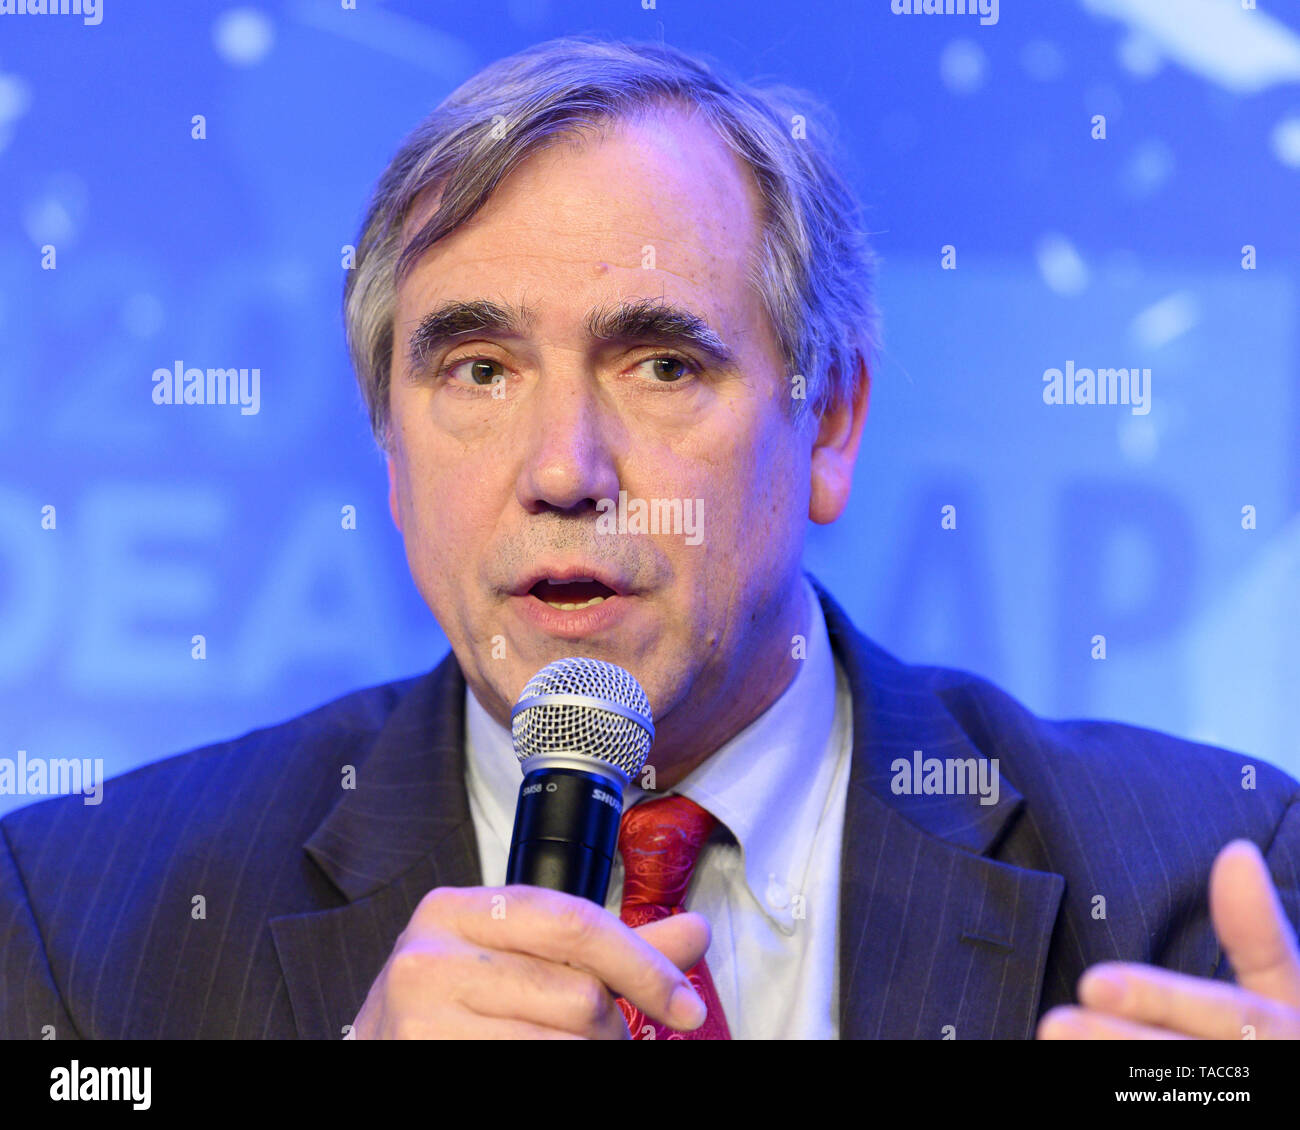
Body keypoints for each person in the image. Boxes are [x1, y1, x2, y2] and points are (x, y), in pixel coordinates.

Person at [3, 36, 1298, 1041]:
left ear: (832, 420)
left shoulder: (1200, 879)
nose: (564, 470)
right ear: (388, 448)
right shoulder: (82, 922)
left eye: (662, 363)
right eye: (476, 371)